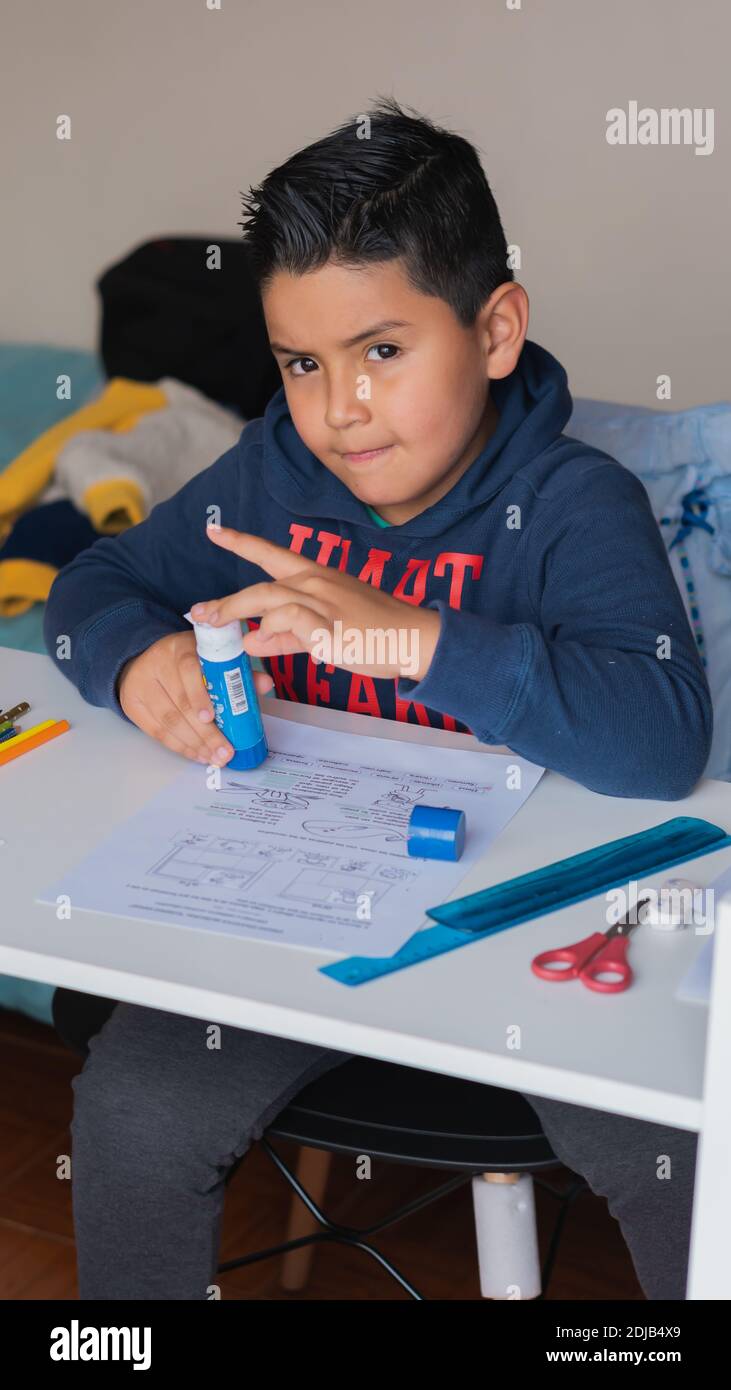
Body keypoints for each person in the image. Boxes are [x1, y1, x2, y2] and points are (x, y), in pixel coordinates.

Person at [44, 96, 710, 1300]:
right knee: (137, 1101)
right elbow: (91, 585)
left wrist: (415, 640)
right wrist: (137, 662)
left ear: (496, 330)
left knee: (673, 1134)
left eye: (382, 351)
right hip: (302, 932)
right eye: (303, 361)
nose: (338, 405)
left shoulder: (571, 506)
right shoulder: (273, 476)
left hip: (524, 946)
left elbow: (660, 742)